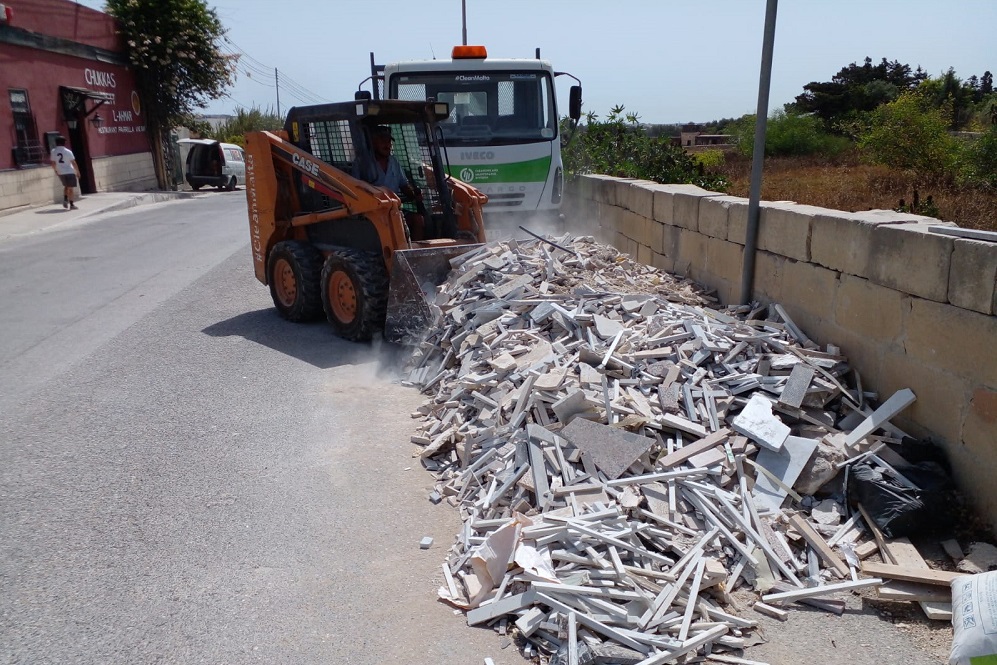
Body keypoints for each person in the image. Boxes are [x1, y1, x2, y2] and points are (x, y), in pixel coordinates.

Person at [360, 125, 425, 239]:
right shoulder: (363, 163)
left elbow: (403, 185)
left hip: (393, 209)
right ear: (373, 142)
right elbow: (356, 187)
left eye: (389, 141)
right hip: (373, 211)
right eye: (383, 142)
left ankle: (412, 254)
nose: (388, 145)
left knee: (418, 220)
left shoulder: (394, 162)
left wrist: (414, 194)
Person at [50, 136, 80, 210]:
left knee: (66, 186)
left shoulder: (53, 151)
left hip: (61, 172)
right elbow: (73, 162)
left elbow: (53, 163)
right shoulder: (68, 151)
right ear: (64, 142)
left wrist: (56, 171)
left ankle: (65, 199)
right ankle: (72, 204)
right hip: (70, 171)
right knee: (71, 188)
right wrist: (77, 171)